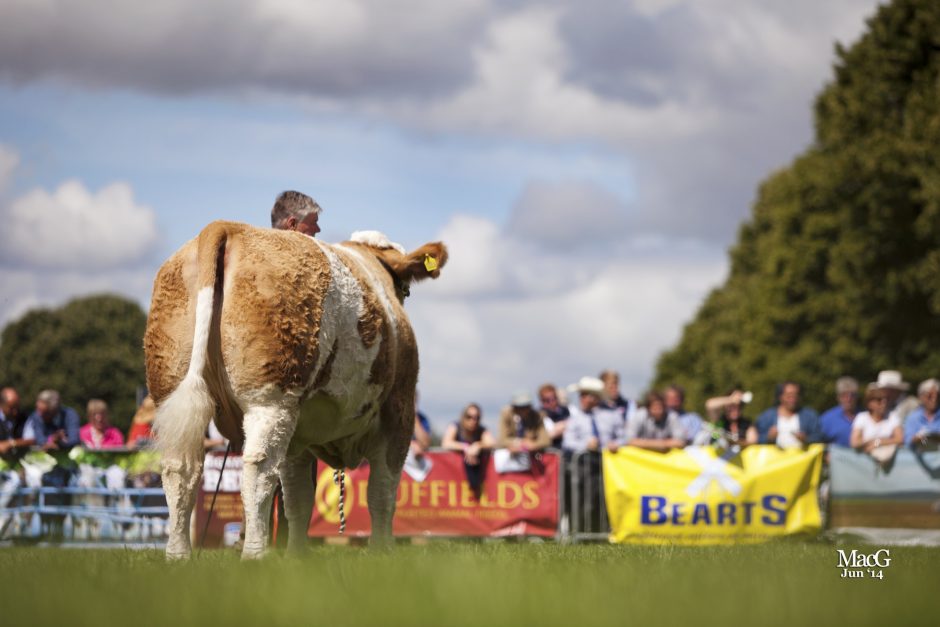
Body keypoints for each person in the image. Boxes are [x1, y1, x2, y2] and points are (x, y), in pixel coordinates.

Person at [561, 377, 623, 534]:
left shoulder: (612, 415)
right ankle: (583, 531)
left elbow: (623, 436)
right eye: (581, 395)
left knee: (603, 498)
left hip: (607, 465)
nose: (581, 399)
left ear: (595, 397)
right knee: (583, 499)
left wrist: (615, 444)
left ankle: (604, 530)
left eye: (584, 395)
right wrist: (585, 446)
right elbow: (568, 442)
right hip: (583, 465)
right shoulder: (575, 418)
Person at [441, 403, 495, 491]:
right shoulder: (455, 426)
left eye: (476, 417)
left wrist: (478, 445)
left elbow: (492, 443)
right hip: (454, 481)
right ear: (463, 417)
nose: (473, 421)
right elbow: (446, 443)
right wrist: (466, 447)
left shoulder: (481, 430)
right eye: (469, 417)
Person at [755, 381, 820, 448]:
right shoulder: (767, 416)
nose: (792, 399)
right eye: (789, 395)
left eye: (796, 395)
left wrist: (806, 439)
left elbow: (819, 437)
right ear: (780, 396)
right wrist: (768, 437)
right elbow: (756, 439)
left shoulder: (810, 416)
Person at [851, 384, 903, 465]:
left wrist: (877, 443)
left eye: (886, 399)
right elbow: (855, 442)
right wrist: (874, 442)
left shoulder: (893, 416)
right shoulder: (861, 417)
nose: (883, 403)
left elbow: (900, 439)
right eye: (879, 400)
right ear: (869, 403)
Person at [819, 377, 860, 448]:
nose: (848, 399)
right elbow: (819, 442)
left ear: (857, 397)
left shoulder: (865, 415)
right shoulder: (827, 419)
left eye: (852, 395)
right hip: (837, 457)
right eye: (844, 395)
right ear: (838, 397)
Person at [904, 378, 940, 450]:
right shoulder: (912, 418)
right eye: (930, 396)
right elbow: (907, 442)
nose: (934, 399)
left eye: (938, 395)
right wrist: (917, 439)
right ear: (921, 397)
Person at [0, 387, 30, 461]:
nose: (15, 412)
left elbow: (33, 439)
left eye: (17, 407)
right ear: (1, 404)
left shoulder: (24, 417)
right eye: (11, 408)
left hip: (20, 460)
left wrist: (11, 443)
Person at [538, 383, 569, 448]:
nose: (551, 402)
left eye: (553, 398)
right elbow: (546, 435)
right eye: (546, 400)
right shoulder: (539, 416)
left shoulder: (566, 410)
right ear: (541, 401)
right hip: (551, 450)